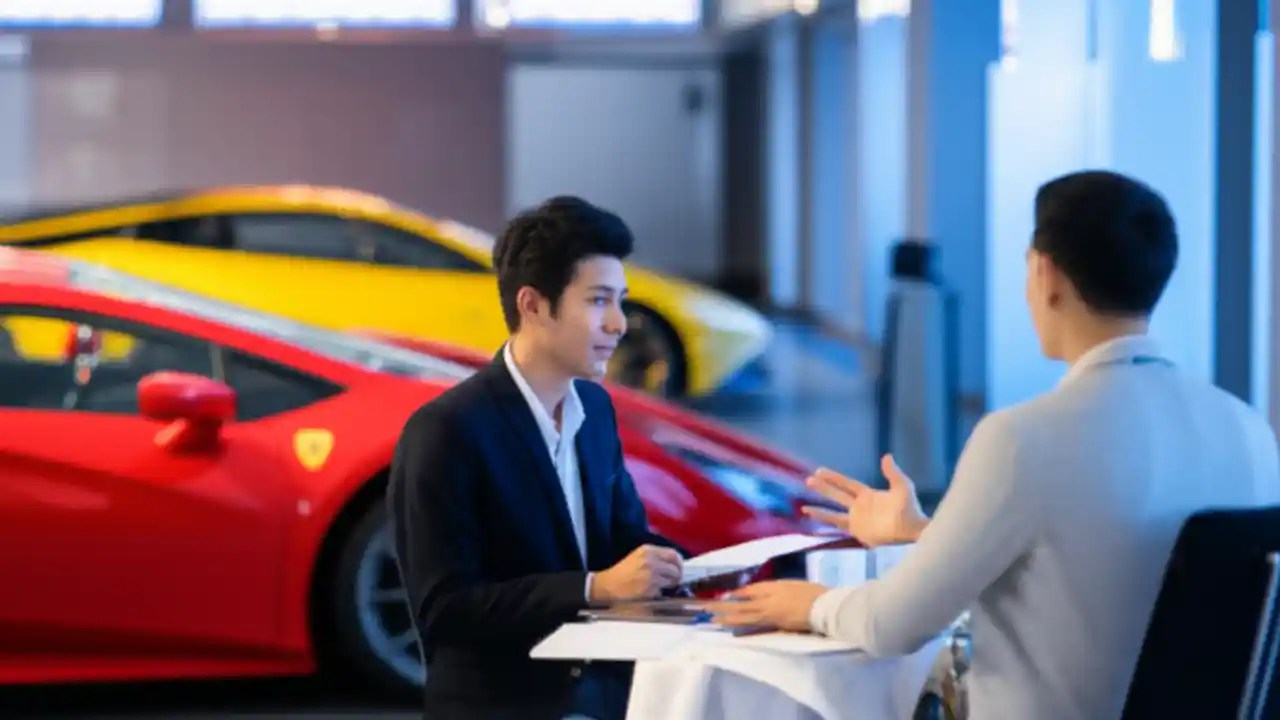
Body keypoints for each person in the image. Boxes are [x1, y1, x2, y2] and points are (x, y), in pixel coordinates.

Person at [709, 170, 1280, 720]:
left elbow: (892, 625)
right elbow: (1117, 563)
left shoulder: (1022, 439)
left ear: (1046, 274)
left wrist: (809, 603)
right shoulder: (1249, 430)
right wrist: (930, 534)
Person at [387, 196, 686, 720]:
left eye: (621, 300)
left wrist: (683, 569)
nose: (619, 324)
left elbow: (622, 535)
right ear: (532, 305)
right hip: (506, 703)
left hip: (605, 691)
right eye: (598, 301)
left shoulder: (593, 408)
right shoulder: (447, 430)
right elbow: (445, 609)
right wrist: (595, 589)